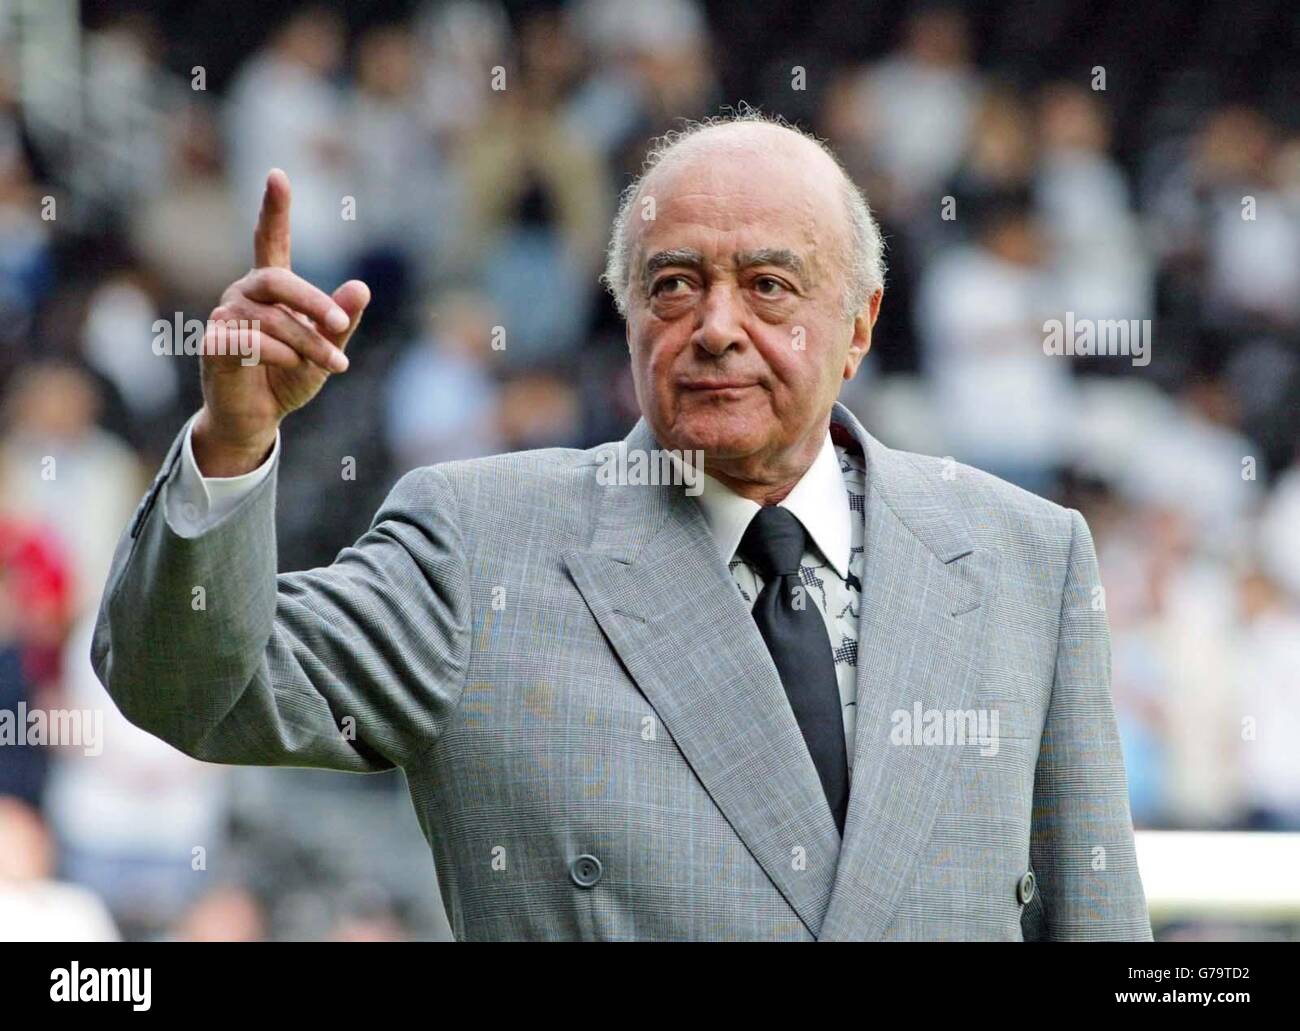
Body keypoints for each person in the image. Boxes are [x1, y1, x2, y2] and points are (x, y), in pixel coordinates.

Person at [92, 112, 1151, 941]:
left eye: (769, 285)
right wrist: (233, 444)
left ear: (859, 325)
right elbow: (191, 688)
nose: (716, 328)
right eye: (674, 285)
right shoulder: (480, 543)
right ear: (628, 316)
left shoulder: (1024, 556)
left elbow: (1094, 914)